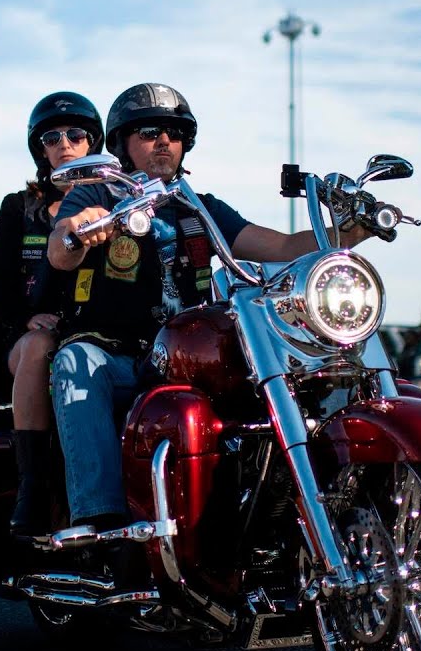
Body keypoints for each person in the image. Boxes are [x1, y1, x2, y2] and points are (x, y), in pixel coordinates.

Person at [46, 82, 378, 531]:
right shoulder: (98, 195)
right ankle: (100, 522)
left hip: (184, 356)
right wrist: (80, 228)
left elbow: (282, 247)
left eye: (175, 133)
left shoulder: (200, 207)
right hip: (119, 353)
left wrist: (352, 231)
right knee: (75, 363)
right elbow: (60, 251)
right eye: (149, 132)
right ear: (122, 143)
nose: (164, 140)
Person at [0, 90, 104, 535]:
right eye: (52, 138)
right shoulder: (19, 207)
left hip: (98, 334)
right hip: (30, 335)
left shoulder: (117, 201)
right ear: (41, 150)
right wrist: (26, 318)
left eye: (75, 135)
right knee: (39, 346)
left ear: (93, 142)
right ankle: (32, 484)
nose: (64, 144)